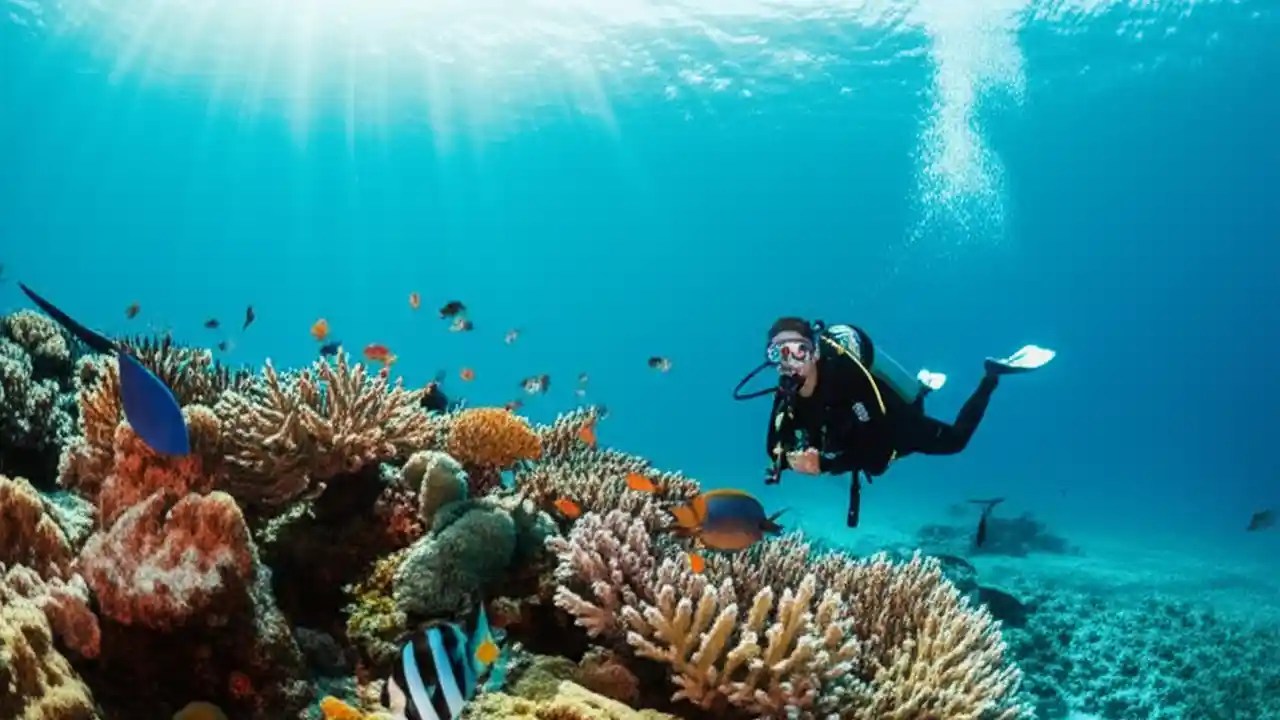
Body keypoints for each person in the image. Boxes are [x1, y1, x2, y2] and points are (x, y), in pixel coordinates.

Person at [732, 317, 1054, 527]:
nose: (789, 363)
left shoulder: (846, 379)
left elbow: (875, 450)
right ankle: (923, 384)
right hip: (847, 439)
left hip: (893, 425)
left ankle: (991, 376)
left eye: (798, 351)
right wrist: (790, 459)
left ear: (815, 353)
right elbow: (771, 445)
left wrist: (825, 467)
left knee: (955, 441)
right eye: (779, 354)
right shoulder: (786, 391)